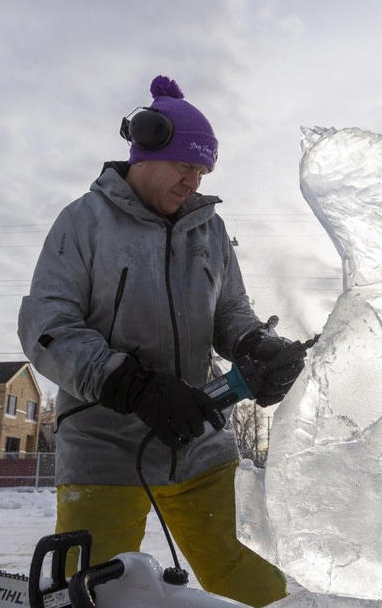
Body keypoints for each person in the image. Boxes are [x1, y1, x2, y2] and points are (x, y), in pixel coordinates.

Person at [17, 75, 306, 607]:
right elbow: (46, 326)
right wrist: (133, 385)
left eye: (202, 171)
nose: (193, 181)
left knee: (240, 570)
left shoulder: (209, 229)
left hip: (199, 438)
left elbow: (230, 311)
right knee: (93, 587)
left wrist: (254, 344)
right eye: (184, 166)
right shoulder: (83, 221)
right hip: (104, 446)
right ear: (145, 151)